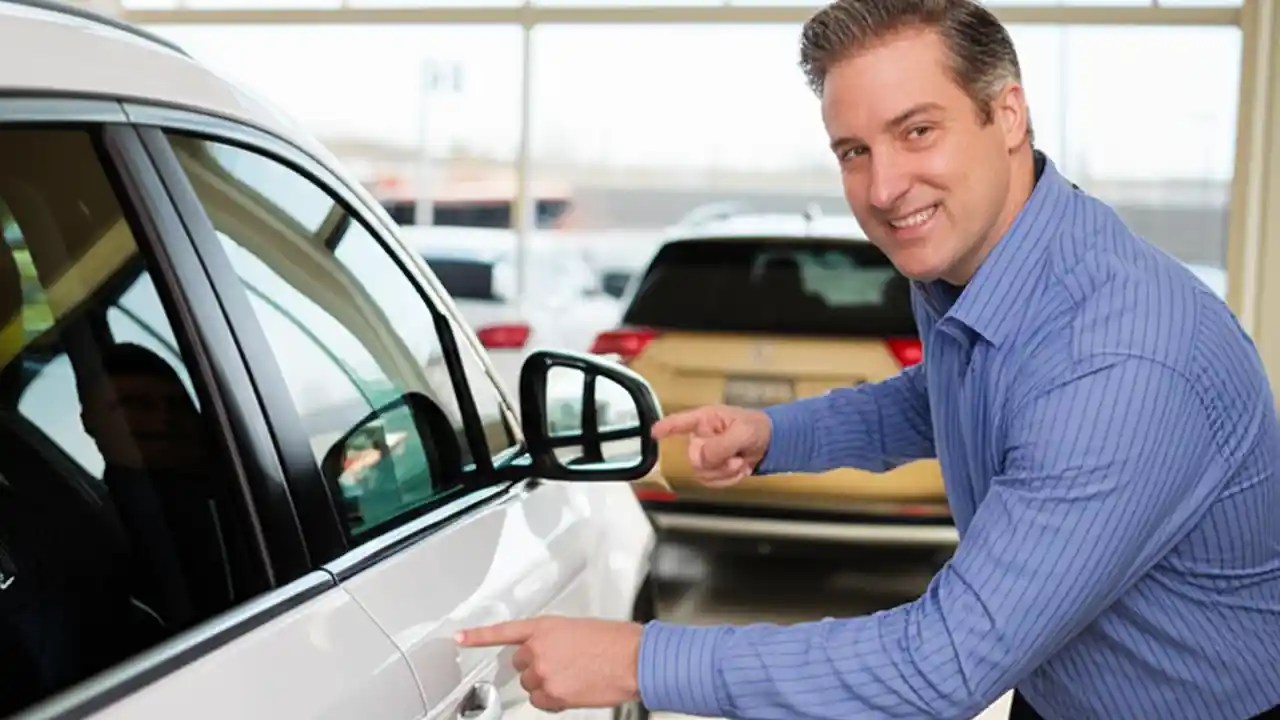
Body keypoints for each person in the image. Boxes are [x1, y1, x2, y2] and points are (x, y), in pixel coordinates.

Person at [457, 0, 1280, 717]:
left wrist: (637, 659)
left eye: (917, 131)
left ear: (1009, 114)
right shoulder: (995, 254)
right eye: (854, 151)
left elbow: (941, 667)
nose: (884, 188)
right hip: (1064, 685)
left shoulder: (1119, 361)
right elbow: (945, 393)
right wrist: (776, 434)